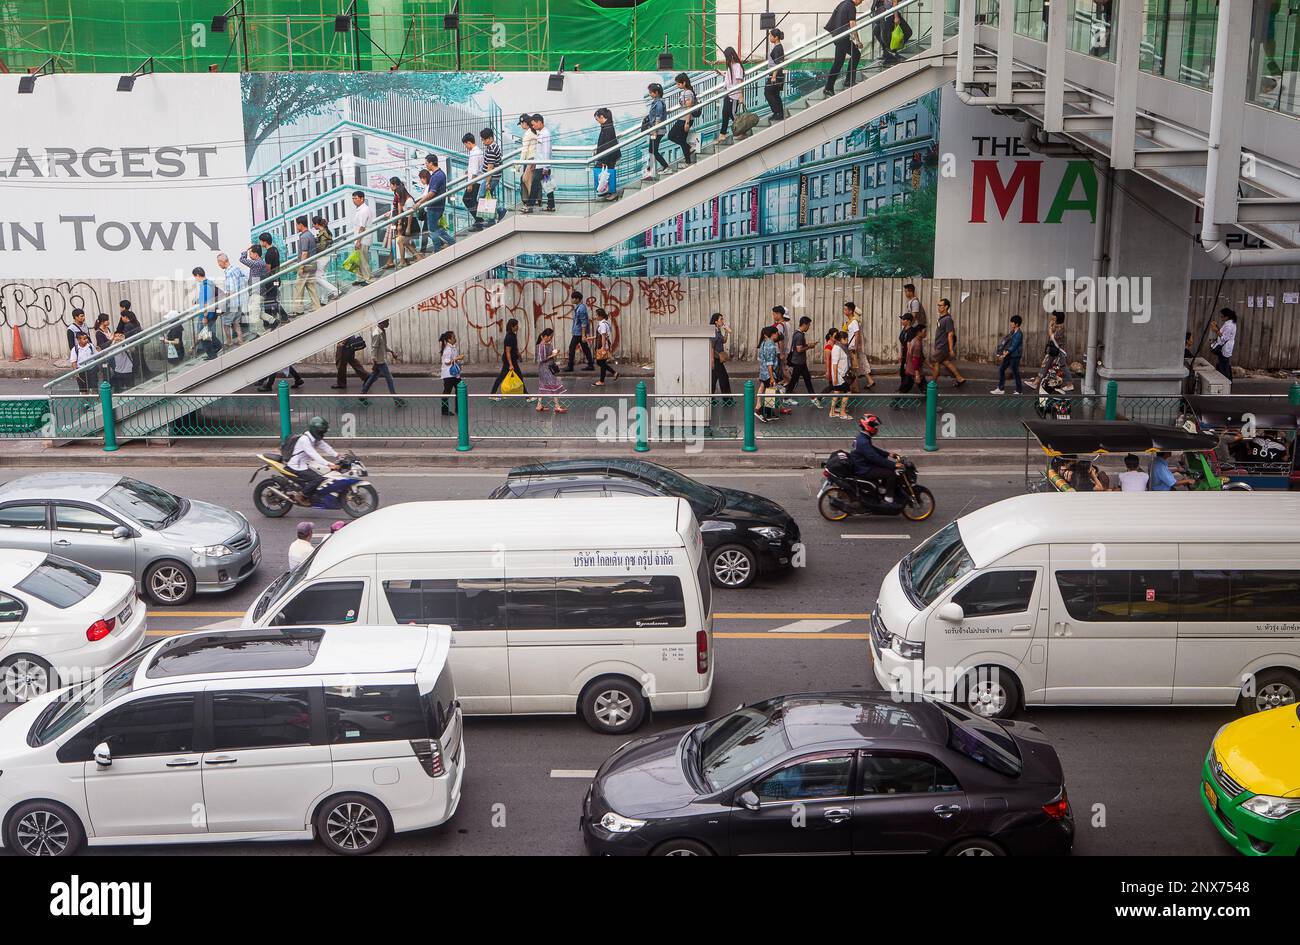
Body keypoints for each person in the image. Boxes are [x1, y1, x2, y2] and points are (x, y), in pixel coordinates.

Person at [849, 412, 902, 500]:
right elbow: (875, 458)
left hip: (862, 464)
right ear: (868, 426)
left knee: (886, 468)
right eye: (874, 426)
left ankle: (882, 489)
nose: (876, 428)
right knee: (891, 474)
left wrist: (888, 454)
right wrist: (893, 465)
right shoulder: (864, 441)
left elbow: (873, 449)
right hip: (864, 468)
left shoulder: (862, 437)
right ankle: (888, 498)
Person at [288, 416, 339, 503]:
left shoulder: (314, 438)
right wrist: (329, 464)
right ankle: (301, 495)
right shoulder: (305, 439)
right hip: (297, 465)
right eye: (321, 431)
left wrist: (337, 455)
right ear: (316, 430)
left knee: (325, 473)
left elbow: (325, 446)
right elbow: (314, 454)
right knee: (318, 479)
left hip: (307, 463)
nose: (323, 433)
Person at [823, 0, 865, 96]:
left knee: (838, 62)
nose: (861, 3)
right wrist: (857, 41)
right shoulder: (851, 6)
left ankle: (828, 87)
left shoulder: (843, 3)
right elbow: (852, 24)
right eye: (861, 0)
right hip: (843, 37)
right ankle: (849, 81)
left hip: (837, 36)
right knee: (856, 54)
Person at [1028, 311, 1073, 391]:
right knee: (1046, 365)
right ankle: (1036, 382)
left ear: (1058, 317)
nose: (1052, 317)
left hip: (1058, 351)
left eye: (1054, 316)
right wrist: (1052, 325)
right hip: (1054, 350)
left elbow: (1052, 336)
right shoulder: (1056, 325)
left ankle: (1069, 385)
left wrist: (1049, 326)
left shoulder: (1061, 327)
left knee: (1063, 367)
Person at [418, 157, 455, 252]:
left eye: (426, 163)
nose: (426, 165)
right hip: (436, 206)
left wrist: (419, 203)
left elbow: (432, 193)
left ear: (431, 163)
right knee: (433, 229)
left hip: (434, 206)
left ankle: (444, 245)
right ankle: (439, 247)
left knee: (433, 229)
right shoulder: (439, 174)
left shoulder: (436, 176)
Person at [929, 297, 965, 387]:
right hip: (940, 346)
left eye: (940, 305)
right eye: (938, 305)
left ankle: (932, 384)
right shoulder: (942, 318)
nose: (938, 307)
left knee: (935, 361)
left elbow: (950, 334)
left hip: (942, 347)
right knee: (945, 361)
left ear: (946, 307)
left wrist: (950, 349)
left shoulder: (948, 319)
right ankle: (960, 378)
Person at [360, 319, 401, 397]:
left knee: (373, 378)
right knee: (389, 379)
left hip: (381, 360)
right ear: (382, 323)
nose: (388, 323)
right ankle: (396, 399)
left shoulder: (382, 332)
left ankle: (362, 394)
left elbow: (384, 346)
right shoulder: (377, 334)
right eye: (387, 322)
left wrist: (392, 352)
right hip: (379, 362)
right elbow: (374, 348)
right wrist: (375, 362)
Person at [216, 252, 249, 345]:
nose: (218, 265)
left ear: (222, 261)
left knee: (225, 323)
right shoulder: (237, 269)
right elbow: (246, 278)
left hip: (232, 303)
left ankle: (229, 341)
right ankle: (240, 339)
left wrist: (224, 296)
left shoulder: (229, 272)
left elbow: (232, 290)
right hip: (240, 300)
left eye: (219, 262)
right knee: (236, 322)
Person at [290, 216, 320, 316]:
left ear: (300, 225)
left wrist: (301, 267)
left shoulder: (304, 237)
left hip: (306, 266)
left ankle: (297, 309)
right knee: (311, 287)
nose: (296, 227)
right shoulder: (310, 234)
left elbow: (304, 253)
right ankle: (317, 306)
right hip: (312, 264)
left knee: (298, 287)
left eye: (296, 224)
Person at [667, 73, 698, 166]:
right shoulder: (684, 92)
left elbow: (689, 108)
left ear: (684, 83)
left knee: (671, 136)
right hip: (683, 118)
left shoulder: (688, 92)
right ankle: (688, 161)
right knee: (682, 140)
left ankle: (689, 147)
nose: (677, 85)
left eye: (678, 84)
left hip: (685, 119)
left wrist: (687, 123)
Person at [535, 326, 568, 413]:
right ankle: (557, 406)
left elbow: (551, 354)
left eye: (551, 337)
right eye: (550, 336)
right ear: (545, 336)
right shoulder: (541, 346)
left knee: (543, 386)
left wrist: (556, 353)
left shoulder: (549, 345)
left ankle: (539, 405)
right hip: (545, 369)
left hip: (549, 368)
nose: (551, 338)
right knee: (553, 385)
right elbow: (540, 359)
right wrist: (552, 356)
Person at [491, 317, 527, 394]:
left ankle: (492, 394)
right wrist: (510, 364)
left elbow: (514, 348)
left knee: (502, 377)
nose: (518, 327)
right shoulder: (509, 337)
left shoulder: (513, 335)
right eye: (516, 326)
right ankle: (527, 396)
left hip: (512, 360)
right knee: (516, 377)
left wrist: (518, 354)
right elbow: (507, 352)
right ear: (512, 327)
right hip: (509, 361)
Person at [192, 267, 222, 360]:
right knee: (207, 333)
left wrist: (205, 316)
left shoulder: (205, 285)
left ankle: (213, 353)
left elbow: (207, 302)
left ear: (197, 275)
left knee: (203, 336)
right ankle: (215, 349)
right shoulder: (209, 283)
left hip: (207, 314)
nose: (195, 279)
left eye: (194, 277)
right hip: (210, 313)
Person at [240, 243, 272, 330]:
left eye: (251, 253)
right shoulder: (261, 262)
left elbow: (242, 259)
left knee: (254, 314)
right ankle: (273, 321)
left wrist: (246, 250)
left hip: (257, 292)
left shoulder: (257, 264)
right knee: (256, 312)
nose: (249, 255)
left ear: (256, 254)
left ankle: (261, 332)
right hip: (257, 291)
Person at [843, 301, 873, 390]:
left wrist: (855, 347)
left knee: (854, 368)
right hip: (851, 347)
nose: (844, 311)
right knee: (855, 366)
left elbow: (857, 334)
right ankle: (861, 384)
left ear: (851, 311)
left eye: (845, 309)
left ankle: (855, 388)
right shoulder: (850, 321)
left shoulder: (854, 322)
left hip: (853, 348)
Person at [991, 314, 1024, 394]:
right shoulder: (1012, 332)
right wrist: (1001, 352)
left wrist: (1004, 354)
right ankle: (1000, 388)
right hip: (1009, 355)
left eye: (1012, 322)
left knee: (1015, 372)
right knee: (1002, 369)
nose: (1010, 324)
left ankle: (1019, 391)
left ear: (1016, 324)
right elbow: (1007, 343)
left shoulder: (1019, 334)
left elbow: (1013, 346)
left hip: (1015, 356)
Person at [116, 303, 150, 382]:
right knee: (140, 360)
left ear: (126, 317)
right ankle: (146, 374)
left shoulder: (128, 325)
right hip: (139, 344)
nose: (121, 318)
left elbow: (126, 337)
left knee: (135, 361)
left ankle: (134, 376)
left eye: (122, 317)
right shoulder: (136, 322)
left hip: (134, 345)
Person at [389, 177, 418, 267]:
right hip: (406, 222)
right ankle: (414, 257)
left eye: (397, 194)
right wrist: (399, 223)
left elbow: (410, 215)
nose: (396, 196)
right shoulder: (402, 200)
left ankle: (409, 258)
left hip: (411, 223)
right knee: (403, 241)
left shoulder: (409, 201)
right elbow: (400, 210)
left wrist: (408, 227)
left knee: (402, 241)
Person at [593, 108, 620, 201]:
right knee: (608, 174)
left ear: (601, 117)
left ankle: (613, 193)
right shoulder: (606, 126)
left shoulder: (607, 128)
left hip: (609, 156)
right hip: (609, 156)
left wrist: (604, 161)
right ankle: (608, 191)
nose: (597, 121)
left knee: (610, 174)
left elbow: (608, 146)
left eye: (597, 119)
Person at [874, 0, 913, 64]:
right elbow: (894, 2)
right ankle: (891, 52)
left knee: (878, 32)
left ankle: (888, 52)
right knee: (908, 32)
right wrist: (896, 17)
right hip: (890, 15)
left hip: (883, 15)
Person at [530, 114, 556, 212]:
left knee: (535, 185)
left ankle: (529, 206)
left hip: (543, 165)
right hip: (540, 164)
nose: (533, 126)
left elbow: (546, 151)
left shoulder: (545, 134)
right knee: (547, 185)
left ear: (540, 122)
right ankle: (551, 205)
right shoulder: (541, 133)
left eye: (534, 124)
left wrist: (546, 167)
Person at [480, 127, 506, 224]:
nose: (483, 142)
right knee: (488, 196)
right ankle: (492, 218)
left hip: (492, 177)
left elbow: (490, 167)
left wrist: (487, 182)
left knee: (482, 196)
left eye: (484, 139)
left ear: (490, 138)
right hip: (494, 177)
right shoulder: (494, 147)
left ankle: (498, 211)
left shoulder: (491, 149)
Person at [311, 216, 339, 303]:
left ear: (317, 224)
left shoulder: (323, 233)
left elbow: (322, 247)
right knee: (322, 277)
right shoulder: (324, 232)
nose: (312, 226)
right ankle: (324, 299)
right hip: (325, 256)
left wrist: (314, 244)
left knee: (318, 278)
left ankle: (335, 291)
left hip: (323, 257)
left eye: (313, 224)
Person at [755, 324, 781, 422]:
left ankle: (768, 412)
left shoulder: (763, 343)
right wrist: (772, 377)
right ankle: (760, 411)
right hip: (769, 372)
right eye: (776, 334)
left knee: (764, 389)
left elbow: (761, 359)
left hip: (763, 371)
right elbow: (770, 363)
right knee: (770, 392)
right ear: (773, 334)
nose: (777, 335)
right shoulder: (771, 345)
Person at [643, 83, 669, 180]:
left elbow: (658, 117)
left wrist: (654, 130)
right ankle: (650, 170)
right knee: (652, 150)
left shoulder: (658, 103)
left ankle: (665, 166)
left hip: (658, 130)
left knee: (653, 151)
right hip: (655, 130)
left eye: (651, 92)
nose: (650, 94)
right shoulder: (656, 102)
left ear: (656, 92)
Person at [719, 46, 745, 139]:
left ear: (731, 56)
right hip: (729, 93)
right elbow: (730, 78)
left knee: (732, 114)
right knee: (725, 113)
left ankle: (741, 132)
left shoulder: (737, 66)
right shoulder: (731, 66)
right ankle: (722, 134)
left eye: (727, 57)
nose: (726, 59)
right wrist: (722, 73)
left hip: (735, 95)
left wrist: (741, 96)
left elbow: (739, 81)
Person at [566, 291, 594, 372]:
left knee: (571, 348)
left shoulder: (581, 308)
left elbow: (584, 323)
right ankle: (590, 364)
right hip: (579, 332)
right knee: (585, 348)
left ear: (577, 299)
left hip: (579, 333)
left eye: (573, 298)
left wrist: (583, 335)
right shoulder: (579, 307)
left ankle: (570, 366)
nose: (571, 300)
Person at [350, 191, 374, 286]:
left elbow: (362, 227)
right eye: (353, 198)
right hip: (359, 238)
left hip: (363, 239)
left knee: (363, 260)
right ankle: (360, 278)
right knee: (359, 260)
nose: (354, 200)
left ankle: (368, 278)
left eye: (355, 198)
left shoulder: (364, 210)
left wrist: (358, 241)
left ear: (362, 198)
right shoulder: (360, 209)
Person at [461, 133, 485, 231]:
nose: (466, 147)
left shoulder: (475, 153)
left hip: (475, 181)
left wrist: (470, 184)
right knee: (472, 201)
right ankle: (479, 220)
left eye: (465, 144)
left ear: (469, 142)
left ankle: (479, 220)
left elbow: (475, 170)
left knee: (467, 200)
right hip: (476, 180)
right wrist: (468, 171)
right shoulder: (477, 151)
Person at [259, 233, 283, 323]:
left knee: (270, 301)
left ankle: (282, 317)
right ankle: (273, 319)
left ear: (265, 242)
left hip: (272, 280)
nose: (260, 243)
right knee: (272, 299)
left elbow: (268, 269)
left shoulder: (268, 254)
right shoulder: (275, 250)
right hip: (276, 278)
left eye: (261, 241)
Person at [787, 315, 815, 395]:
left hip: (801, 361)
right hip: (798, 361)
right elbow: (799, 349)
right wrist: (809, 347)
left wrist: (807, 345)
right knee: (794, 380)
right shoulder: (799, 335)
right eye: (808, 325)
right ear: (804, 324)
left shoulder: (798, 333)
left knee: (807, 379)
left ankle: (813, 396)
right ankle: (786, 396)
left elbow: (799, 346)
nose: (809, 327)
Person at [827, 330, 852, 419]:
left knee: (836, 393)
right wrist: (835, 378)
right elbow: (834, 364)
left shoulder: (841, 347)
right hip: (840, 376)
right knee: (847, 393)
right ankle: (842, 412)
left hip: (840, 375)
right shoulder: (837, 348)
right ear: (842, 339)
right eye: (846, 339)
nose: (847, 341)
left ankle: (832, 412)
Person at [592, 307, 619, 386]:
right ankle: (607, 377)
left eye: (596, 315)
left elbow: (603, 336)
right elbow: (601, 335)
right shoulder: (606, 323)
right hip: (604, 345)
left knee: (600, 362)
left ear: (600, 316)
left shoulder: (603, 324)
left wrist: (603, 348)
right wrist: (591, 338)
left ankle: (606, 378)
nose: (595, 316)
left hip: (602, 346)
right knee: (602, 363)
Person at [518, 113, 539, 212]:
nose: (520, 126)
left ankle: (531, 202)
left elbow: (524, 150)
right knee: (529, 180)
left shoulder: (528, 133)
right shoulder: (534, 131)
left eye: (521, 124)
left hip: (531, 159)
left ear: (524, 123)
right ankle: (533, 201)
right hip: (535, 158)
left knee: (526, 179)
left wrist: (518, 164)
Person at [438, 330, 462, 416]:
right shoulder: (448, 349)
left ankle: (459, 408)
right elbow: (447, 362)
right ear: (449, 340)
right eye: (453, 337)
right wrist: (457, 358)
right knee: (447, 392)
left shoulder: (453, 347)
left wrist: (458, 360)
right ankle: (444, 410)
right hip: (448, 374)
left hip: (454, 374)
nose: (455, 339)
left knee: (459, 390)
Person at [764, 28, 787, 120]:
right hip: (777, 75)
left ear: (776, 37)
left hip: (775, 76)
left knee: (768, 93)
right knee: (775, 94)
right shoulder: (778, 47)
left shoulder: (778, 48)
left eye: (771, 36)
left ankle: (777, 112)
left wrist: (773, 76)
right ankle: (779, 113)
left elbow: (778, 63)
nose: (770, 38)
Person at [1210, 307, 1237, 380]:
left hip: (1225, 349)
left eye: (1222, 316)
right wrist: (1217, 327)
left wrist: (1216, 330)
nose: (1221, 318)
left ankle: (1225, 382)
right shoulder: (1229, 323)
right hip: (1225, 348)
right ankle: (1226, 381)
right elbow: (1223, 333)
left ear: (1227, 317)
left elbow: (1223, 338)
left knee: (1224, 367)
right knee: (1224, 365)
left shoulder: (1229, 325)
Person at [710, 312, 731, 394]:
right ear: (716, 321)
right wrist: (712, 360)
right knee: (724, 378)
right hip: (715, 358)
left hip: (718, 358)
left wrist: (726, 332)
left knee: (713, 379)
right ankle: (727, 399)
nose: (722, 321)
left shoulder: (718, 331)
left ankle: (711, 398)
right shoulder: (713, 331)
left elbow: (724, 341)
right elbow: (711, 346)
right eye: (721, 319)